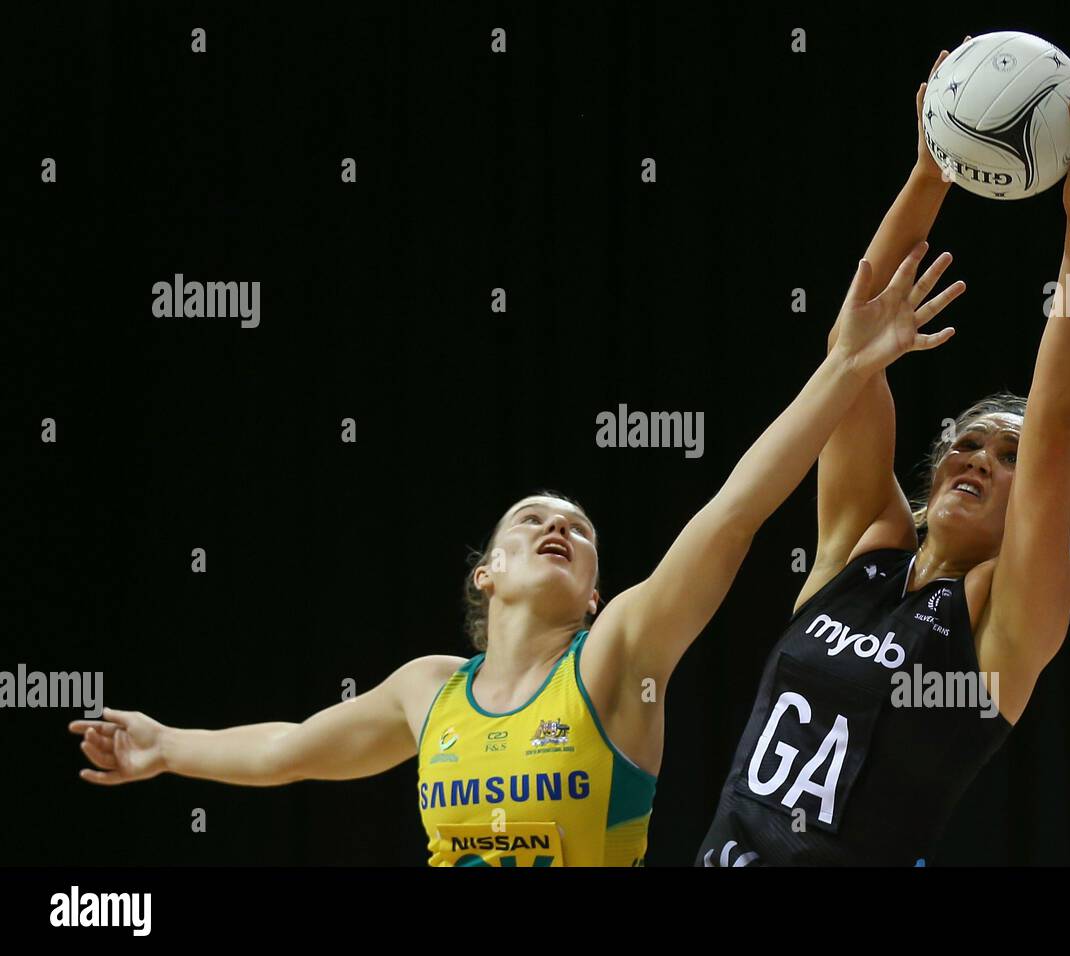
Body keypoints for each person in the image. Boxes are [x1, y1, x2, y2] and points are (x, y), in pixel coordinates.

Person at [69, 241, 967, 866]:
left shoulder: (618, 653)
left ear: (591, 594)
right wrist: (167, 748)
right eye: (532, 519)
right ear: (485, 572)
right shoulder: (430, 692)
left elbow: (735, 512)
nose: (559, 529)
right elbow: (291, 750)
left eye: (579, 531)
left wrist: (849, 365)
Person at [695, 53, 1070, 866]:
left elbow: (1058, 428)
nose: (979, 457)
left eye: (1005, 455)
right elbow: (852, 349)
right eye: (968, 441)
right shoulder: (864, 548)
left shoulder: (1003, 616)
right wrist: (932, 171)